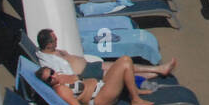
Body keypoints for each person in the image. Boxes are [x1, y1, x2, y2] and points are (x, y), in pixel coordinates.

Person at [35, 29, 176, 80]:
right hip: (87, 73)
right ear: (48, 44)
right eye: (55, 40)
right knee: (122, 70)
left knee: (121, 65)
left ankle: (156, 71)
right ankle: (157, 72)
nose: (57, 40)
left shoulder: (54, 51)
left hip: (90, 65)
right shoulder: (48, 62)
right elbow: (63, 76)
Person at [35, 61, 155, 105]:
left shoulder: (61, 77)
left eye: (51, 73)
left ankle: (135, 91)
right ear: (47, 83)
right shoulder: (61, 89)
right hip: (99, 98)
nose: (53, 77)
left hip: (102, 86)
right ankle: (135, 99)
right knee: (124, 62)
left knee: (125, 61)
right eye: (49, 79)